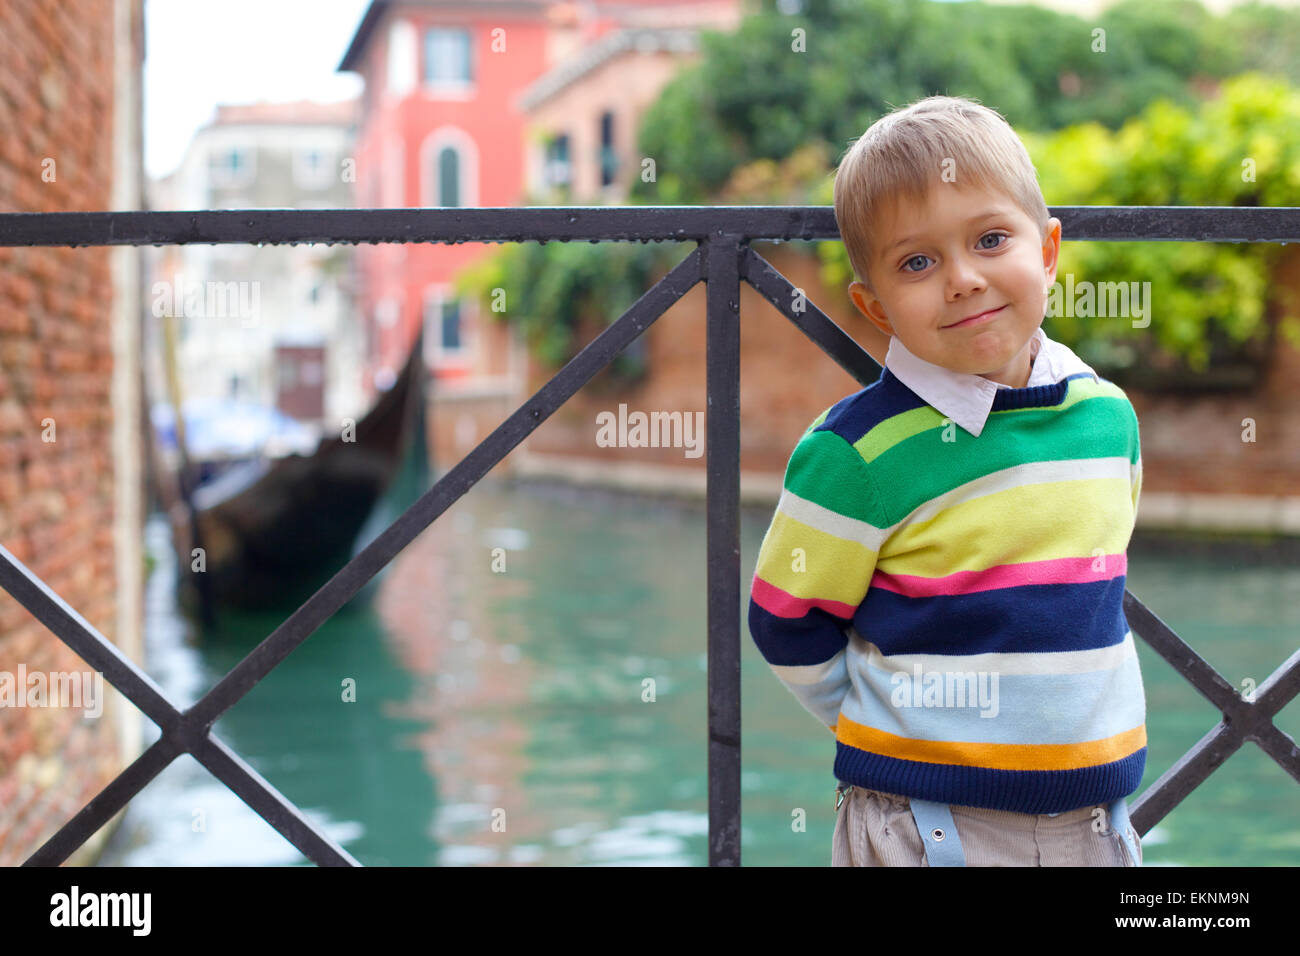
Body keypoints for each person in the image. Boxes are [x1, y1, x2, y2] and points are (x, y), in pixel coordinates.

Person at [747, 95, 1146, 866]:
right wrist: (891, 722)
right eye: (917, 263)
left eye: (992, 239)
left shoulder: (1108, 418)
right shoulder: (855, 452)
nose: (963, 280)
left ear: (1050, 250)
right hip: (924, 826)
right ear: (876, 307)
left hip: (1097, 824)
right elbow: (784, 620)